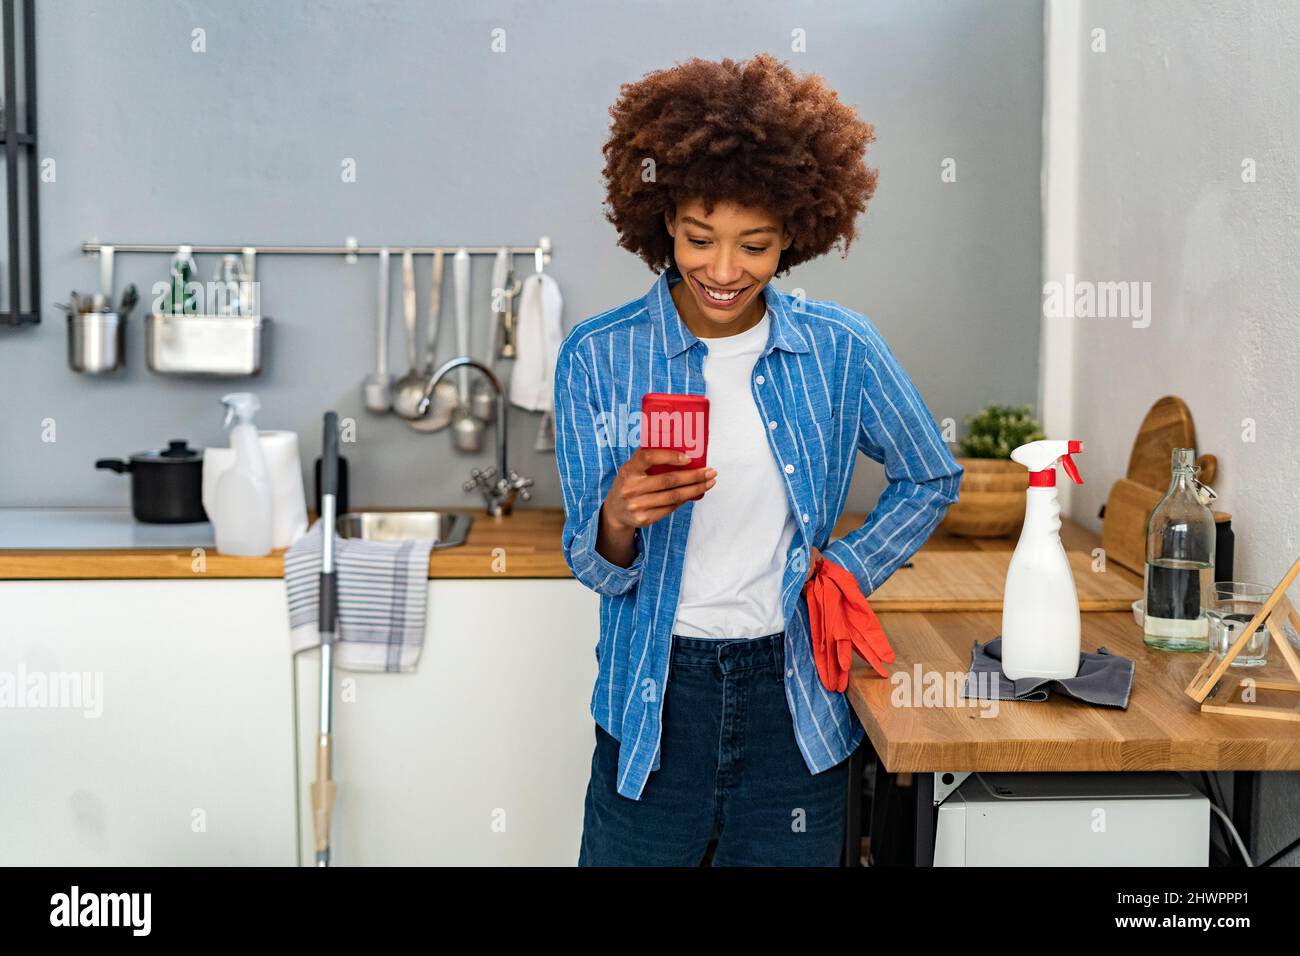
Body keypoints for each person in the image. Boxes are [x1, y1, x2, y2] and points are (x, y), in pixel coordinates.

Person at [555, 53, 964, 866]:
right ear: (664, 219)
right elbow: (594, 566)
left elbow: (931, 474)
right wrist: (615, 519)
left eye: (756, 245)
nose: (723, 270)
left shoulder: (840, 348)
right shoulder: (598, 356)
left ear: (795, 239)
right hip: (652, 708)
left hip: (796, 703)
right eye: (701, 239)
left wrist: (843, 570)